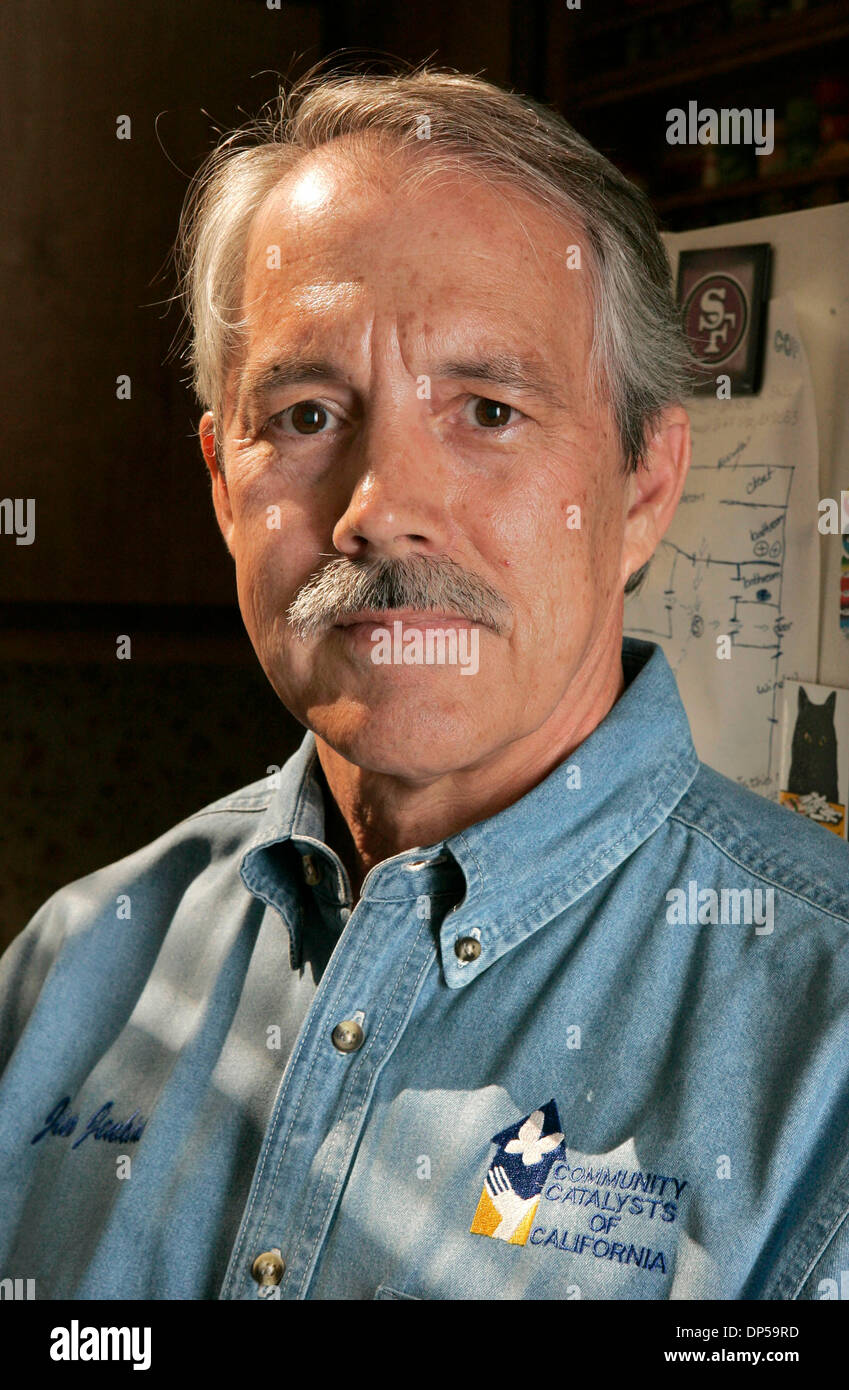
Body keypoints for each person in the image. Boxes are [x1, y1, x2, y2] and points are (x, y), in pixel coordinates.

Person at [1, 64, 847, 1302]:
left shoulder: (823, 1045)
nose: (380, 510)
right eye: (301, 414)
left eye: (489, 409)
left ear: (644, 486)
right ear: (223, 485)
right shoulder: (66, 969)